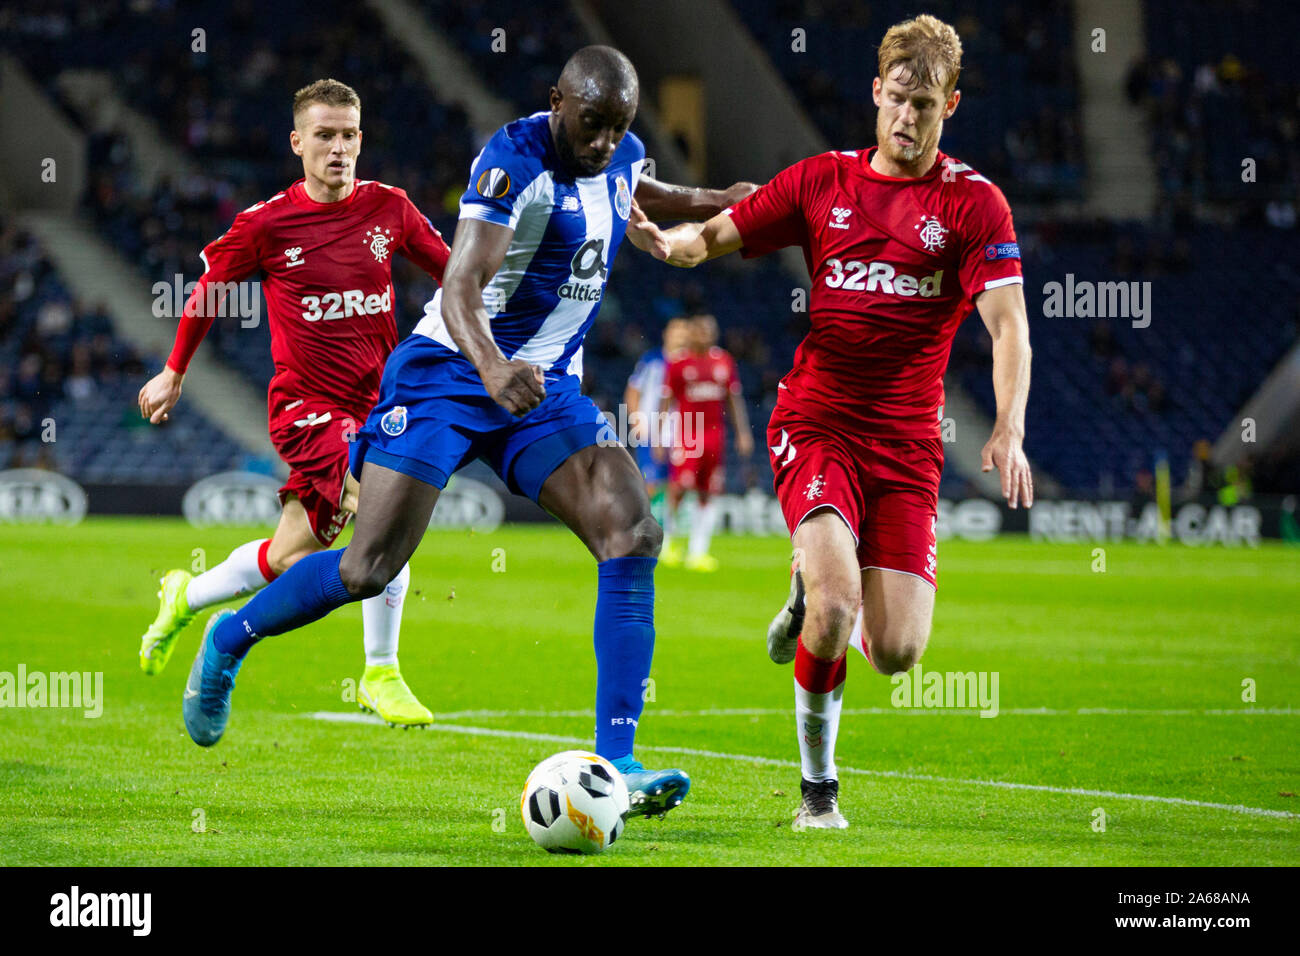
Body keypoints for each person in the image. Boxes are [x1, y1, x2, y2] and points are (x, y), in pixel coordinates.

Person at [181, 47, 756, 820]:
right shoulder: (509, 163)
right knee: (367, 570)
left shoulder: (615, 154)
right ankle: (230, 637)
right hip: (453, 372)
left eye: (618, 128)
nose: (602, 143)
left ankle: (617, 760)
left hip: (543, 386)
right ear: (557, 102)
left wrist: (720, 198)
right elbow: (458, 286)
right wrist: (490, 369)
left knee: (633, 529)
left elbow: (638, 182)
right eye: (590, 124)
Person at [631, 15, 1033, 828]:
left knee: (897, 653)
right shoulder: (823, 182)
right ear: (875, 93)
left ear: (949, 104)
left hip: (911, 446)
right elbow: (713, 236)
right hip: (816, 423)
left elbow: (1010, 323)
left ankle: (806, 582)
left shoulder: (975, 206)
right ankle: (819, 793)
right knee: (836, 607)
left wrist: (1008, 425)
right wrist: (660, 242)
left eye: (926, 104)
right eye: (897, 99)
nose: (907, 118)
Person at [136, 78, 450, 726]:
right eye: (325, 136)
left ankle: (186, 594)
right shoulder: (268, 223)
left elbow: (452, 273)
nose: (338, 148)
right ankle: (380, 669)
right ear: (297, 141)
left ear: (361, 140)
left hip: (377, 404)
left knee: (285, 559)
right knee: (385, 506)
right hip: (306, 409)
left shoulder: (389, 208)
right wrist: (174, 371)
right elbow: (211, 290)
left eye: (348, 136)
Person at [660, 314, 753, 570]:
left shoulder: (723, 361)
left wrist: (743, 433)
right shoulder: (678, 363)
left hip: (715, 438)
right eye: (701, 330)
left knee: (707, 492)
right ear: (691, 333)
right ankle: (666, 544)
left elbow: (734, 400)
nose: (706, 334)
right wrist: (659, 437)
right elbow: (665, 401)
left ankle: (697, 551)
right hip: (687, 436)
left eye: (710, 330)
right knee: (679, 488)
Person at [623, 317, 690, 528]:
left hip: (681, 432)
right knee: (650, 484)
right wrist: (636, 420)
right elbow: (633, 392)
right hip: (652, 430)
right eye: (676, 330)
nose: (680, 335)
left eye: (683, 332)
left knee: (678, 486)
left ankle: (667, 532)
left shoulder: (690, 364)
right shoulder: (651, 361)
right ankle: (639, 528)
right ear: (666, 334)